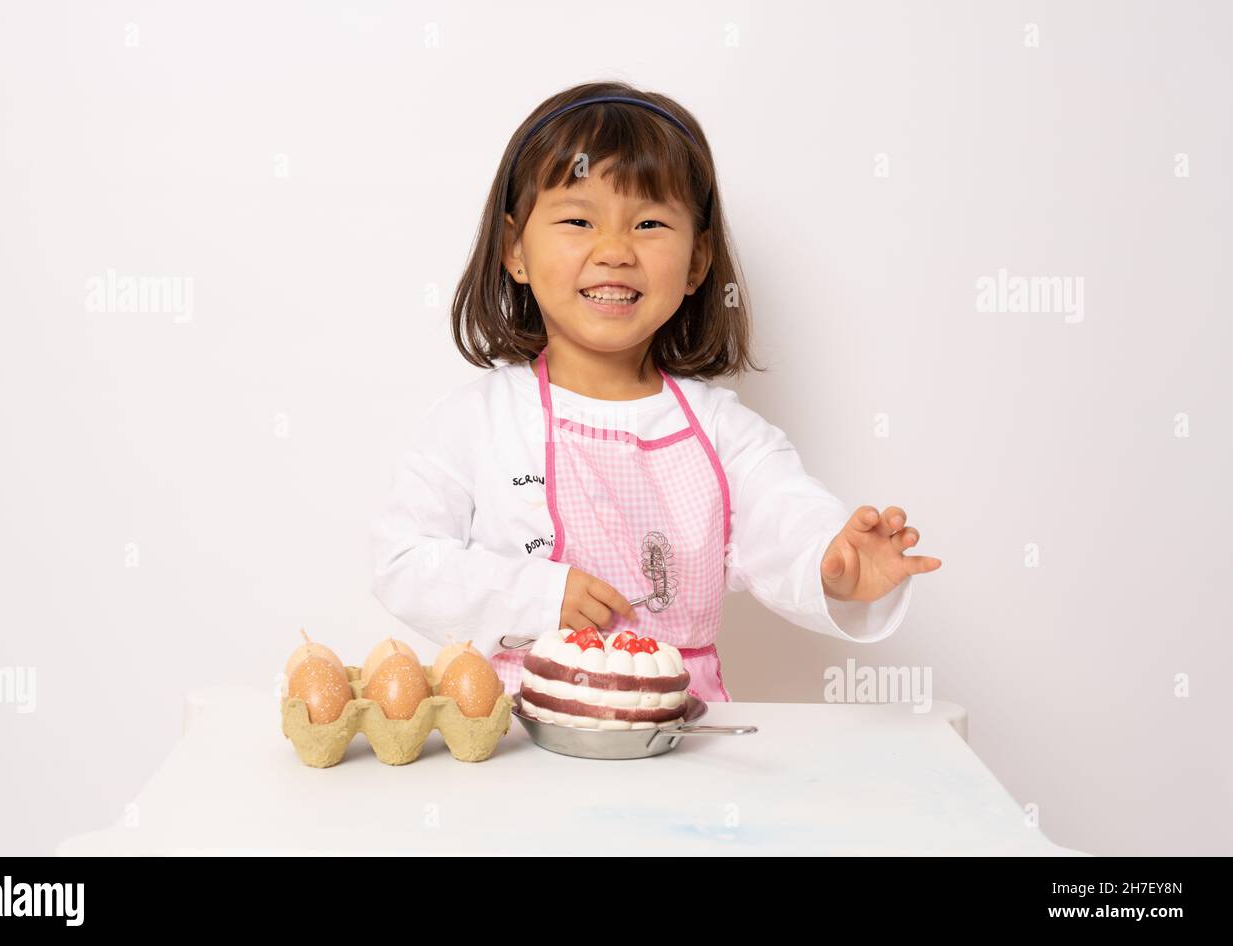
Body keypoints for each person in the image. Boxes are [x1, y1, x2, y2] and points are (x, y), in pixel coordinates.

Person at [370, 81, 942, 701]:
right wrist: (539, 594)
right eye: (577, 220)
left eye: (648, 223)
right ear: (515, 251)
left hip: (680, 735)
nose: (614, 251)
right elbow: (402, 562)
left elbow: (787, 516)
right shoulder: (475, 421)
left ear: (697, 262)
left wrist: (835, 562)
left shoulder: (725, 431)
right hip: (516, 740)